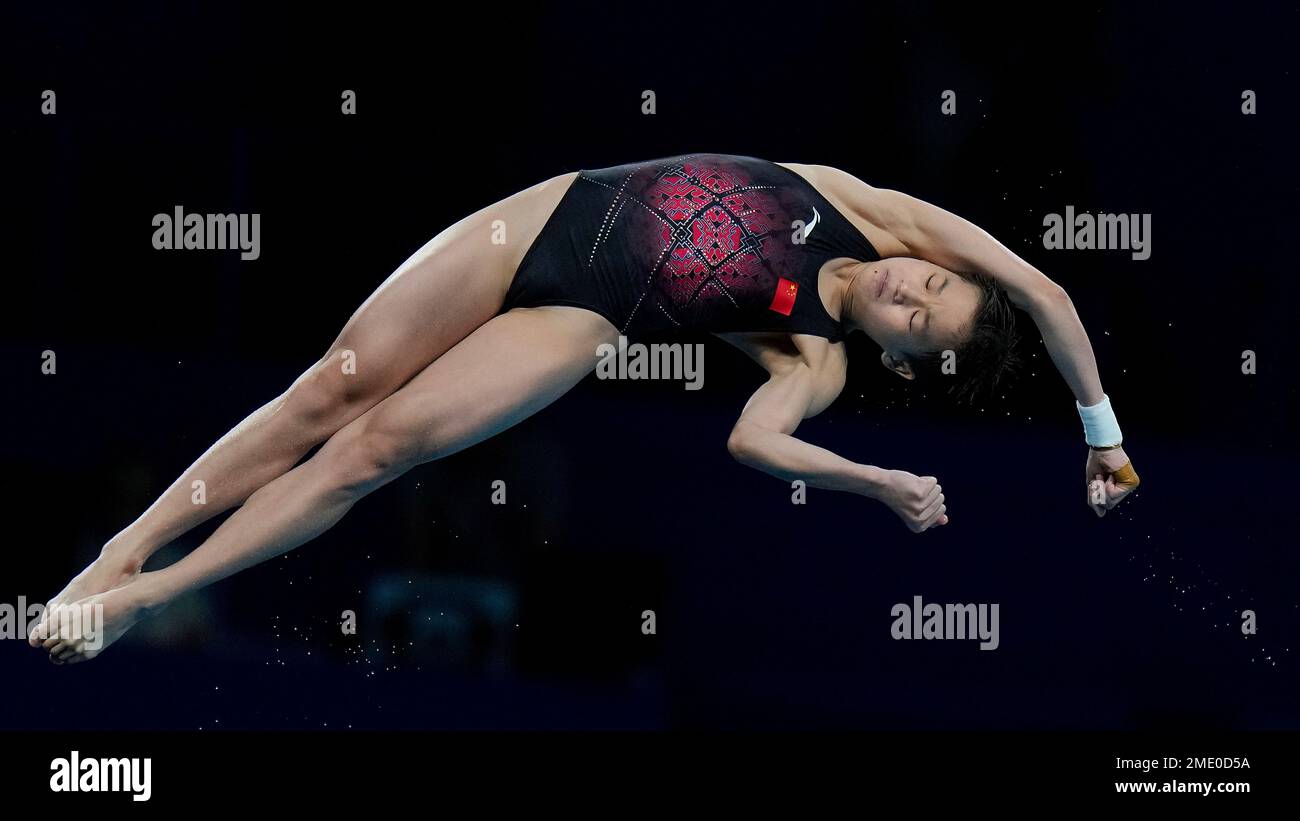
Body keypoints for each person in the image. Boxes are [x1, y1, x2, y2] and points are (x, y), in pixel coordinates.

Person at [29, 153, 1139, 663]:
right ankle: (117, 554)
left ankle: (150, 596)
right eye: (936, 283)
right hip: (548, 215)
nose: (916, 293)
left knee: (374, 451)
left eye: (923, 322)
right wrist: (1102, 433)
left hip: (587, 318)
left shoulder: (819, 360)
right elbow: (1044, 288)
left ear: (899, 360)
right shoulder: (864, 204)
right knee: (330, 389)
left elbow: (754, 439)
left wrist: (873, 479)